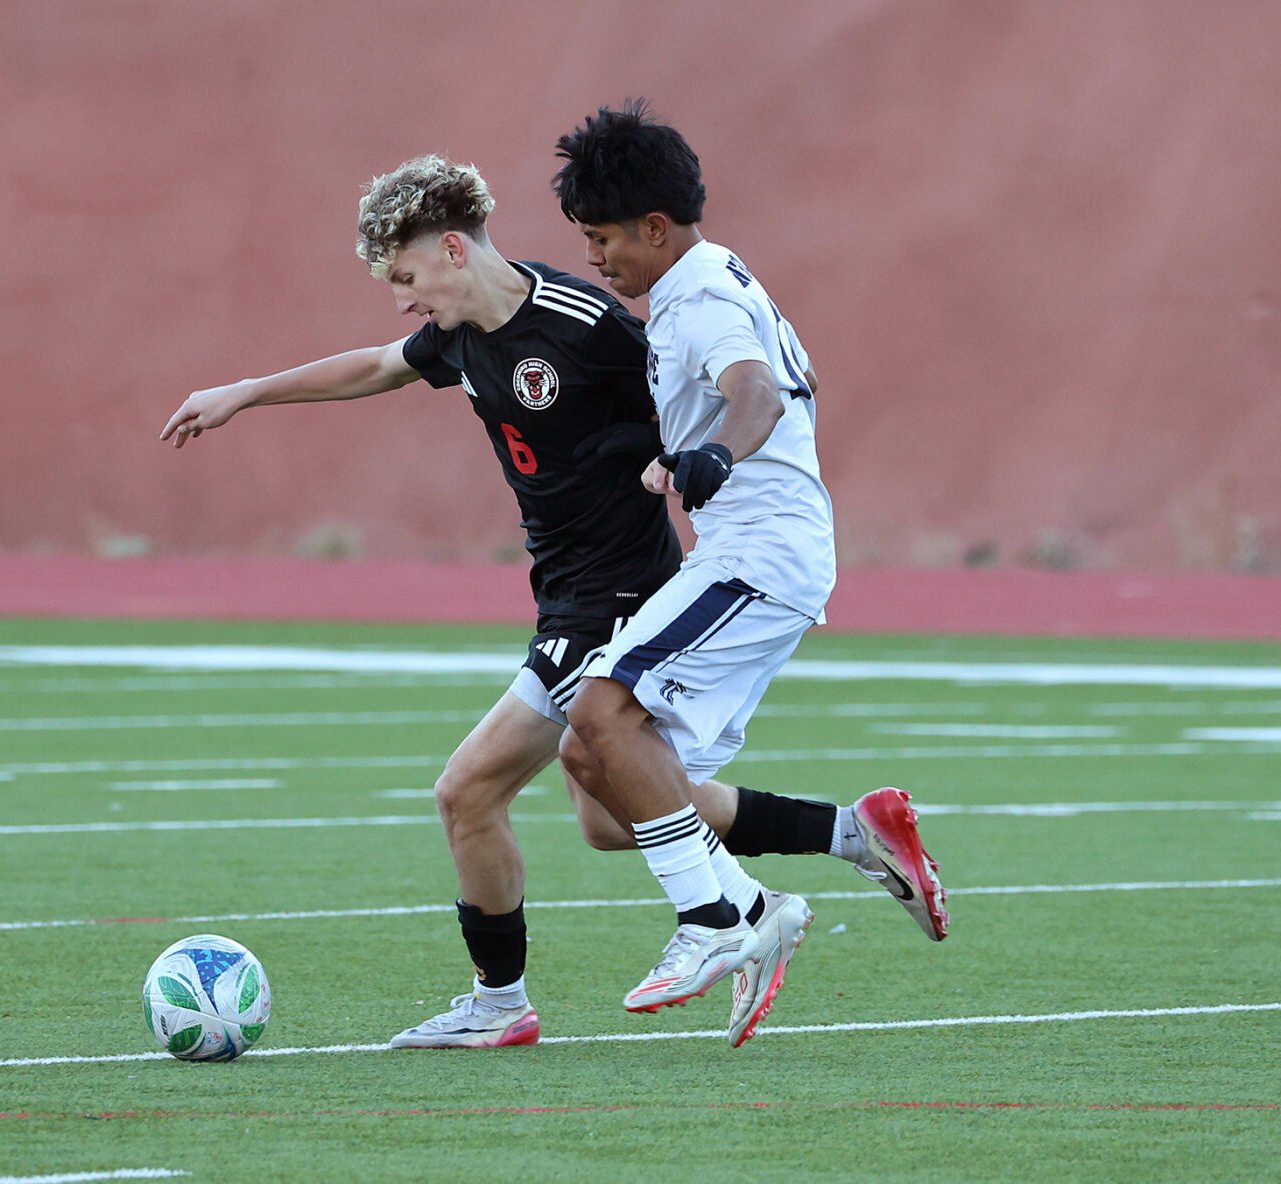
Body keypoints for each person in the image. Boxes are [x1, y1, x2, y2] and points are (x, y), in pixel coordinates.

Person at [161, 154, 941, 1052]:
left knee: (471, 789)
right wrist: (245, 393)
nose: (404, 300)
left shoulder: (586, 323)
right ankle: (849, 835)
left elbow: (702, 399)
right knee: (616, 815)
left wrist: (684, 460)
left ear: (452, 250)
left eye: (408, 277)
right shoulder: (457, 334)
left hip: (618, 591)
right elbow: (376, 364)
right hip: (565, 590)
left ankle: (583, 972)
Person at [551, 100, 949, 1048]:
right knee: (600, 788)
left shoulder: (700, 299)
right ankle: (846, 839)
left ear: (654, 226)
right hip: (748, 550)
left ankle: (716, 920)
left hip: (759, 553)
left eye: (603, 239)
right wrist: (659, 449)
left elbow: (755, 394)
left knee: (602, 714)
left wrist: (711, 458)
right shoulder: (703, 280)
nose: (596, 258)